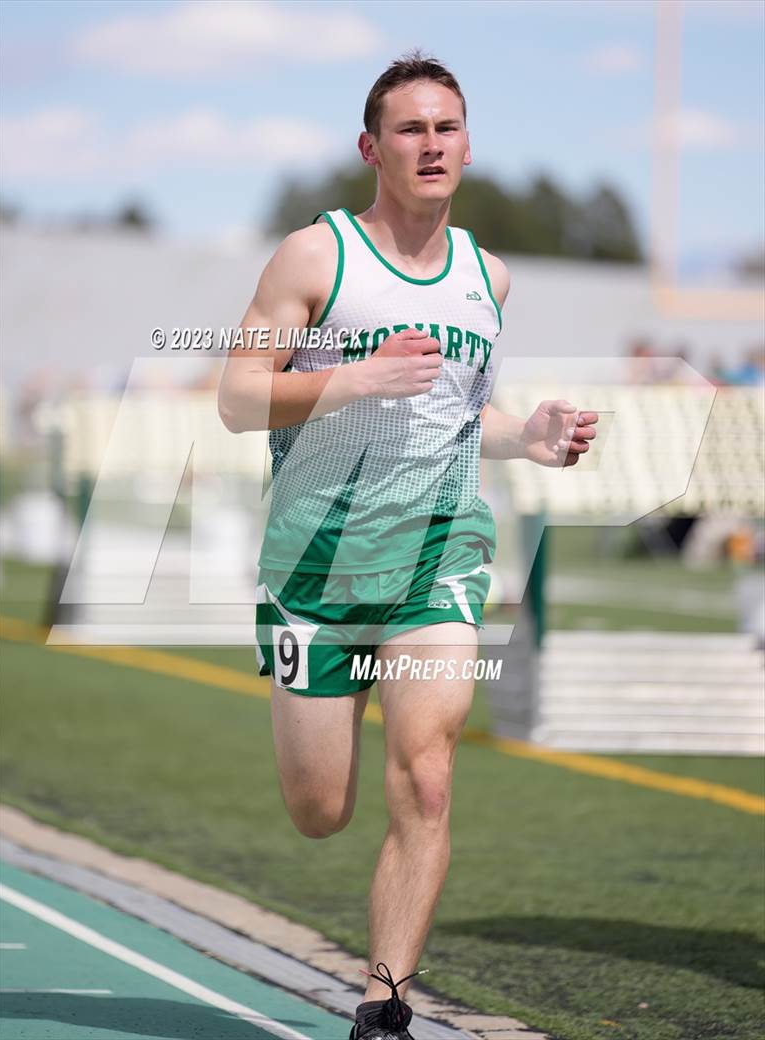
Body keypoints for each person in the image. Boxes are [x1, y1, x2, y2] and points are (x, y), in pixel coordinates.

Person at [218, 50, 598, 1040]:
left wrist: (530, 435)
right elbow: (236, 397)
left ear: (467, 146)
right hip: (315, 567)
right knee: (321, 809)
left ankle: (385, 1005)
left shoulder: (487, 274)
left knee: (428, 774)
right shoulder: (316, 257)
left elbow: (461, 417)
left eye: (446, 127)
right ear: (371, 147)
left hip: (438, 557)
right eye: (410, 129)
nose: (432, 144)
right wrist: (352, 377)